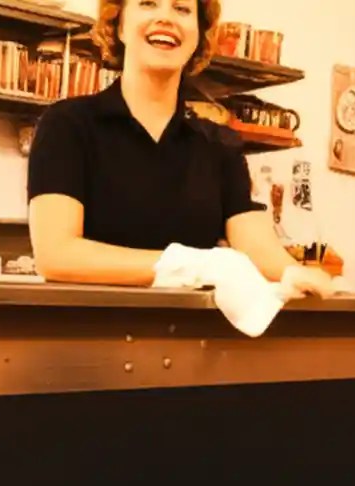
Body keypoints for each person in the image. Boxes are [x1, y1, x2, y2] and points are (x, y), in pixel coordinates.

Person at [26, 0, 333, 296]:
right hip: (88, 339)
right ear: (118, 25)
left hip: (189, 342)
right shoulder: (67, 125)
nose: (166, 17)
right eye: (148, 3)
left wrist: (291, 272)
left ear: (198, 36)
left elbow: (252, 239)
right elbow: (56, 254)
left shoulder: (219, 144)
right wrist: (192, 265)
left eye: (182, 8)